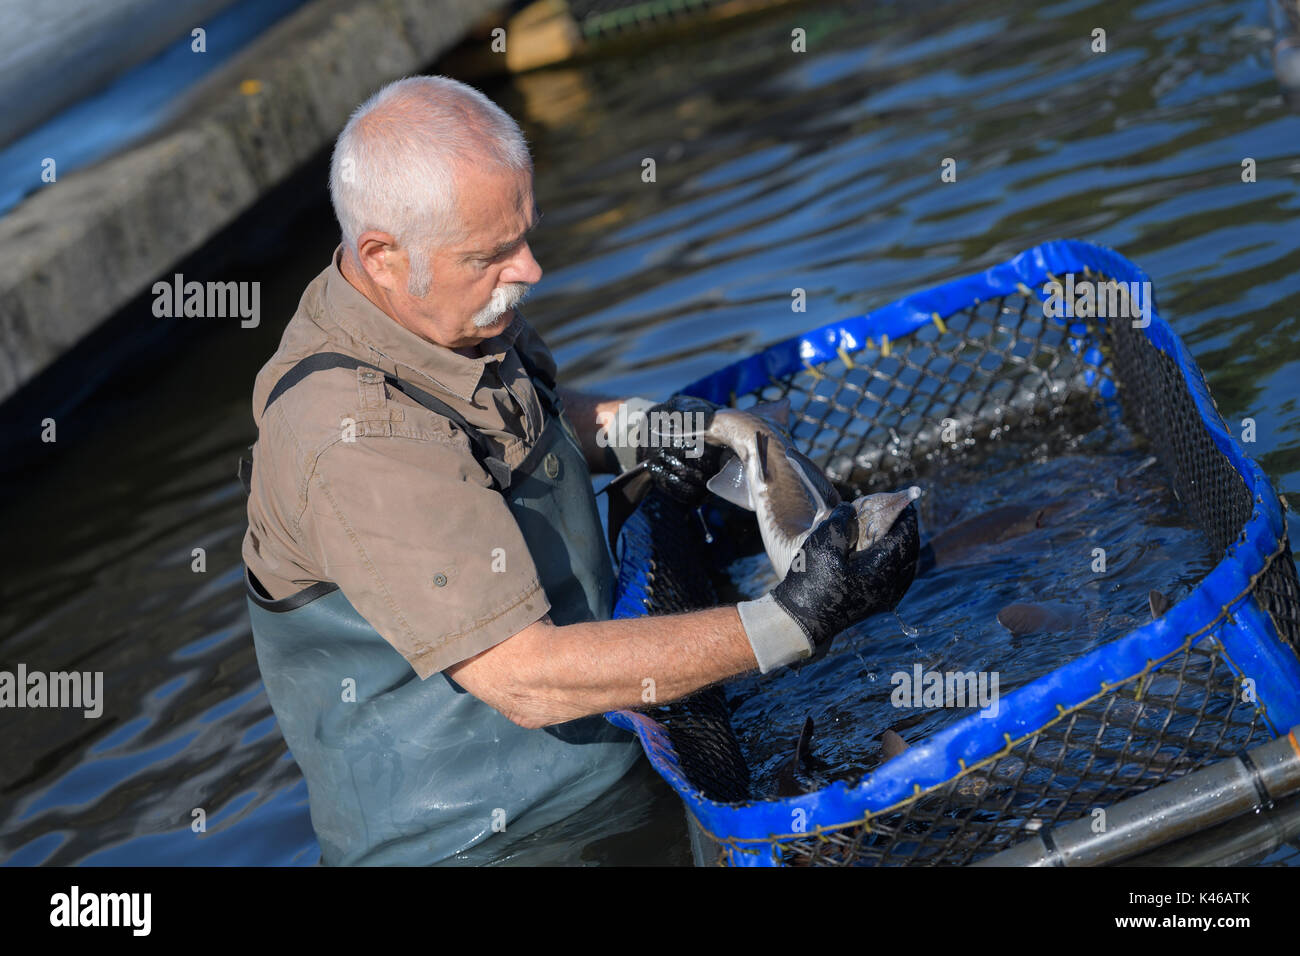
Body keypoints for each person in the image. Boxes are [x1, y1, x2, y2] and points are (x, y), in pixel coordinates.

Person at [241, 75, 896, 865]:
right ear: (381, 256)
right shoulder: (353, 437)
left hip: (621, 756)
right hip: (492, 840)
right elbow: (525, 678)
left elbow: (532, 414)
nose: (530, 270)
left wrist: (665, 431)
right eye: (492, 254)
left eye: (526, 234)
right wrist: (792, 622)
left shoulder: (447, 300)